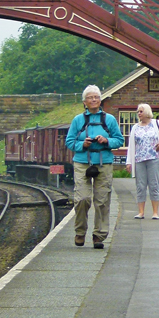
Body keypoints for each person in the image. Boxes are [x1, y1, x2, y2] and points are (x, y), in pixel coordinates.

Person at [64, 85, 124, 249]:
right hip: (83, 161)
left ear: (100, 100)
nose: (93, 100)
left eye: (96, 97)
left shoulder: (109, 119)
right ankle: (80, 231)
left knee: (102, 199)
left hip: (104, 162)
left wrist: (107, 141)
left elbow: (119, 140)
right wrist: (82, 144)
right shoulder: (78, 120)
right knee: (82, 198)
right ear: (85, 102)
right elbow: (69, 142)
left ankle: (99, 235)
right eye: (90, 97)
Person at [125, 103, 159, 220]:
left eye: (141, 111)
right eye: (138, 111)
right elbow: (131, 146)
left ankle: (155, 212)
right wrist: (129, 162)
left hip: (154, 158)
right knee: (140, 186)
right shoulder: (135, 128)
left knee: (154, 184)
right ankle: (141, 212)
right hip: (139, 160)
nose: (139, 113)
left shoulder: (157, 124)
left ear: (147, 112)